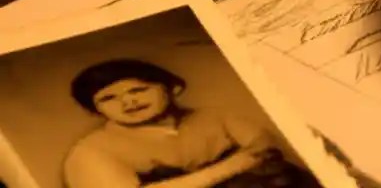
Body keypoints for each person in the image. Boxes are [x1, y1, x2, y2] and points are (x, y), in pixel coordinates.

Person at [63, 59, 317, 188]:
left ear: (171, 88)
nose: (128, 103)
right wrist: (232, 166)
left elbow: (263, 145)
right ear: (95, 109)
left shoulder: (213, 116)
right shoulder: (90, 152)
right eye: (108, 98)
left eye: (139, 90)